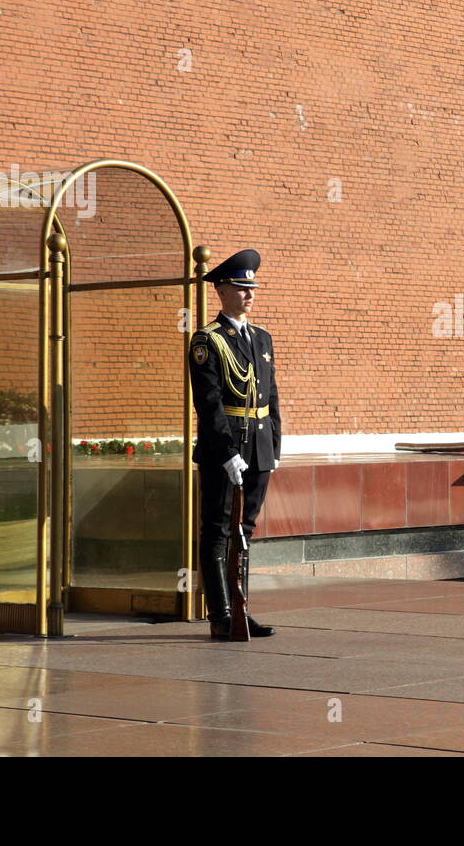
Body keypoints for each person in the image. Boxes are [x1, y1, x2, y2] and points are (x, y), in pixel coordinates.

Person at [189, 248, 280, 639]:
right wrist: (227, 453)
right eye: (241, 288)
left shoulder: (261, 337)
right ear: (222, 291)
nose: (249, 294)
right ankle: (221, 614)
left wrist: (273, 448)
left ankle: (242, 607)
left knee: (246, 528)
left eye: (252, 288)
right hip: (224, 449)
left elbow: (271, 397)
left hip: (257, 447)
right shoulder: (207, 340)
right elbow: (209, 404)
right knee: (218, 530)